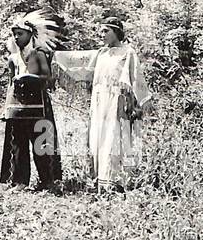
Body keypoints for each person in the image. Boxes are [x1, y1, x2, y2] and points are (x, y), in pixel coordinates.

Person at [53, 16, 153, 191]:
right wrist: (54, 56)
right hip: (99, 102)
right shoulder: (101, 53)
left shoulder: (127, 53)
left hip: (117, 102)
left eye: (106, 31)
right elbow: (78, 60)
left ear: (117, 32)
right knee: (97, 138)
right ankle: (99, 181)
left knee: (113, 138)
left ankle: (115, 182)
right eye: (101, 31)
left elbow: (136, 78)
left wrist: (141, 102)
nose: (102, 35)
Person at [0, 10, 64, 190]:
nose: (17, 37)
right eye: (14, 34)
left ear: (30, 34)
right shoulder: (13, 58)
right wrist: (7, 109)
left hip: (38, 106)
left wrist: (31, 79)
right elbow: (10, 83)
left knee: (42, 143)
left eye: (20, 34)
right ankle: (19, 182)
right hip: (18, 107)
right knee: (17, 144)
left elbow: (47, 78)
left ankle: (48, 181)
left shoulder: (39, 54)